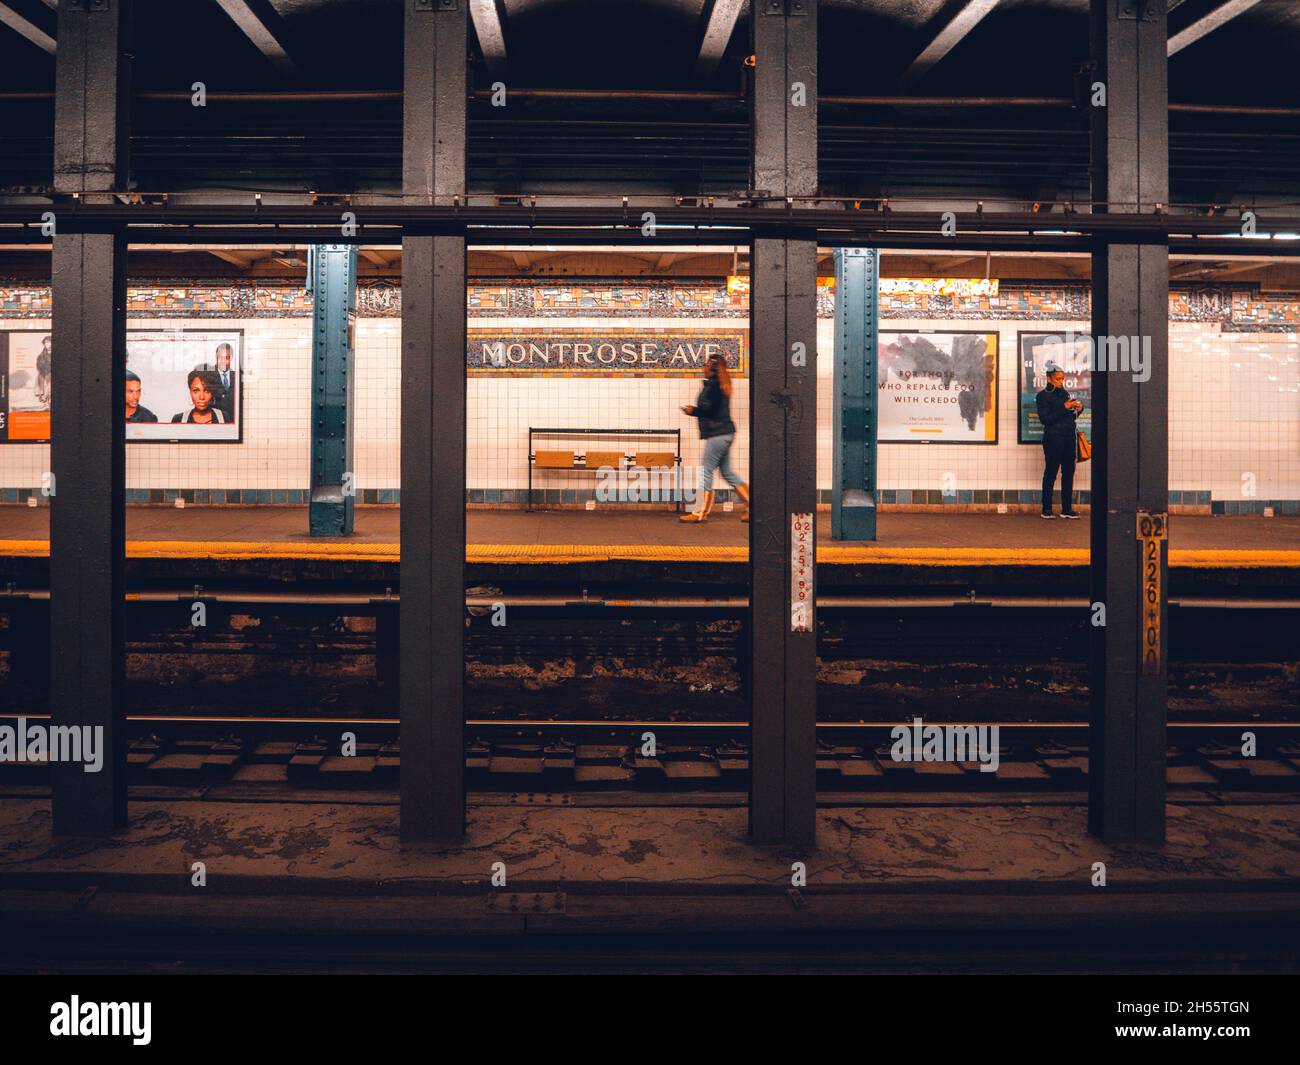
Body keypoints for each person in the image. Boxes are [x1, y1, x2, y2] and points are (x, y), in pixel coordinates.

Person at [679, 352, 749, 523]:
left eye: (706, 365)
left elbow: (712, 411)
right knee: (727, 472)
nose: (703, 367)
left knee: (706, 471)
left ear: (712, 368)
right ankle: (753, 505)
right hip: (725, 433)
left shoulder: (715, 387)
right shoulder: (719, 384)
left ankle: (700, 512)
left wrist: (693, 411)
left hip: (718, 434)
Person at [1035, 360, 1083, 519]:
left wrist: (1078, 409)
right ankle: (1046, 509)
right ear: (1049, 378)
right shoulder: (1042, 396)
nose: (1061, 382)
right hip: (1053, 439)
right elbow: (1045, 420)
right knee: (1051, 473)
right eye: (1058, 379)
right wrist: (1064, 407)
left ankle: (1066, 509)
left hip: (1069, 438)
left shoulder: (1065, 394)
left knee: (1068, 473)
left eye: (1062, 378)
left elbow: (1070, 417)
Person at [209, 343, 236, 423]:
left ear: (231, 358)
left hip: (233, 423)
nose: (223, 361)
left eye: (226, 358)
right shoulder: (208, 375)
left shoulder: (237, 376)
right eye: (220, 357)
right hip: (214, 422)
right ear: (216, 357)